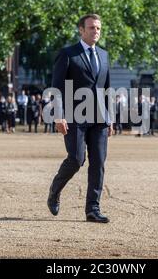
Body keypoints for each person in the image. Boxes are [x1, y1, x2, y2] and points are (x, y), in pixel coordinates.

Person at [47, 14, 114, 223]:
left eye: (99, 28)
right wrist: (58, 114)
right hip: (74, 115)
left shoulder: (104, 55)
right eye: (92, 28)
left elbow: (106, 88)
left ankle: (93, 209)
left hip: (100, 118)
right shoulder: (68, 54)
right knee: (76, 159)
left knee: (98, 163)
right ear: (81, 30)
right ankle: (55, 190)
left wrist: (110, 118)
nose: (96, 31)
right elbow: (57, 87)